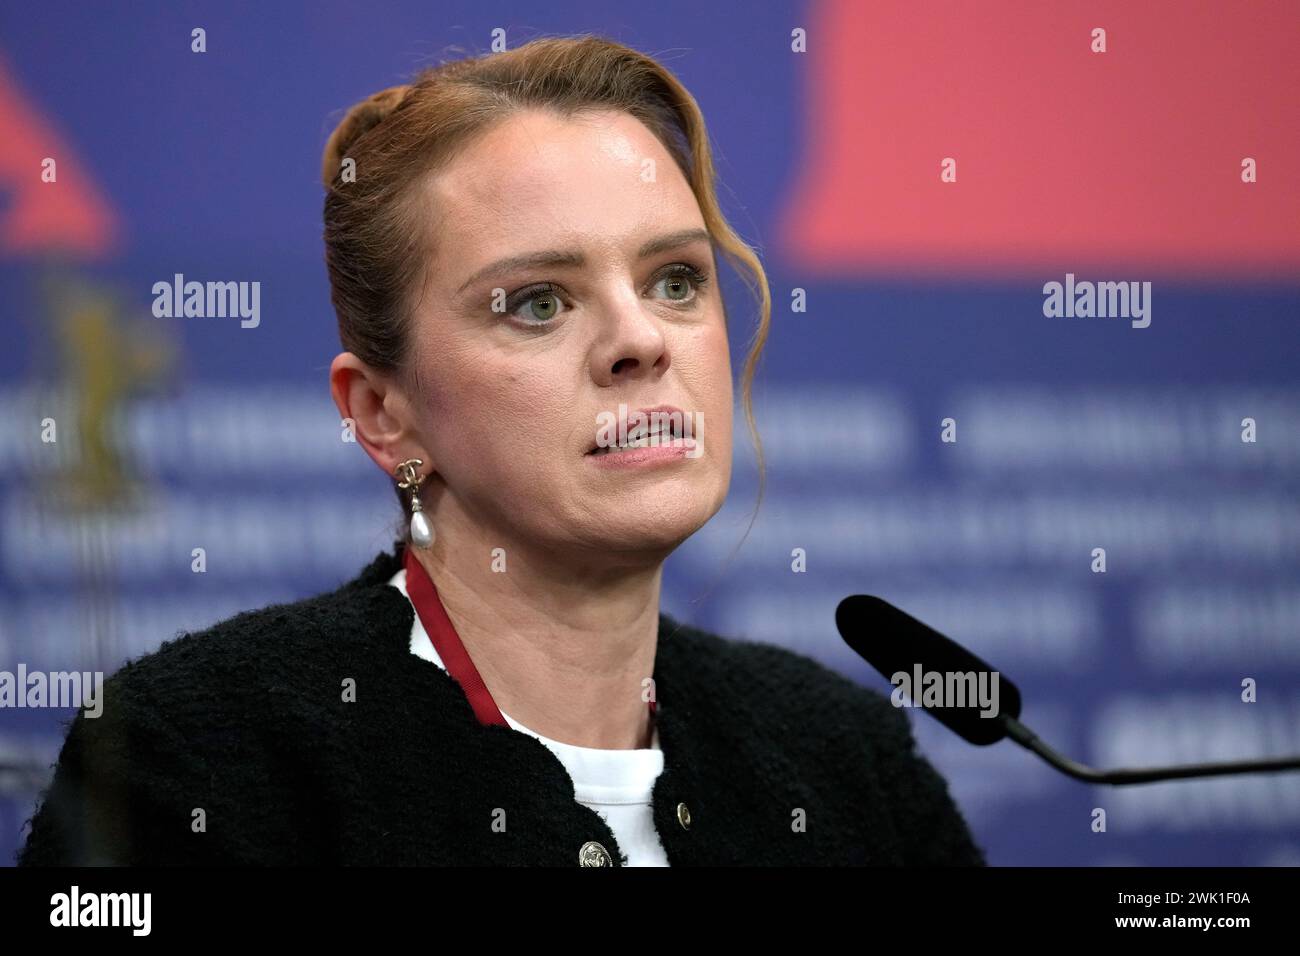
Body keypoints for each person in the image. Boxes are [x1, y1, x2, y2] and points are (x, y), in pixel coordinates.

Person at [17, 34, 985, 867]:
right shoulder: (198, 751)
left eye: (677, 280)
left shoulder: (842, 756)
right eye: (538, 301)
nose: (640, 338)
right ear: (383, 413)